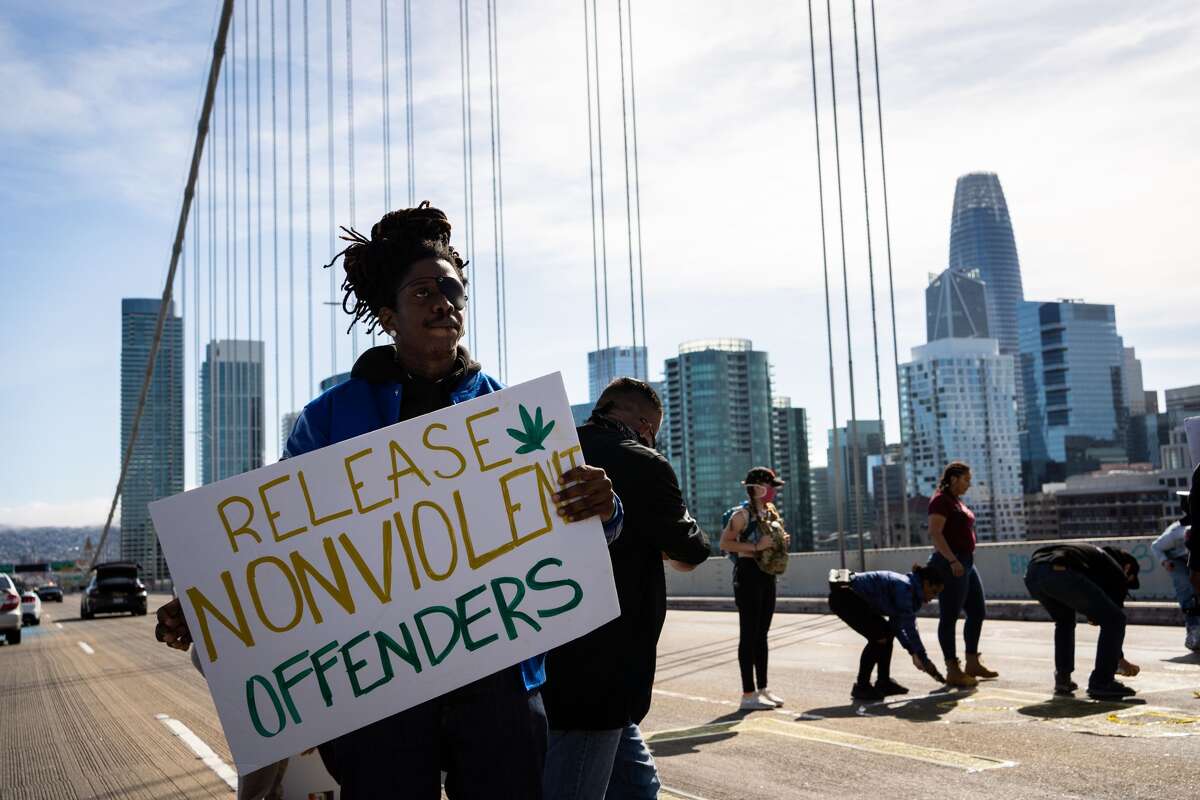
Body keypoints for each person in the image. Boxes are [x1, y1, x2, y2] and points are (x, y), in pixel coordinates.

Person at [155, 203, 624, 799]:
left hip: (499, 682)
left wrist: (605, 508)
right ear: (387, 315)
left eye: (452, 287)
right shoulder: (327, 420)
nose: (442, 300)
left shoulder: (516, 418)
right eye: (423, 290)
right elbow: (281, 543)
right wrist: (211, 606)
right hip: (379, 691)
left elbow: (583, 528)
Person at [541, 378, 711, 800]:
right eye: (653, 429)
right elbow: (691, 550)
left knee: (639, 788)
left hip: (540, 663)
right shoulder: (644, 463)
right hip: (602, 674)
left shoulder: (547, 455)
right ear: (643, 423)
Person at [1023, 542, 1142, 699]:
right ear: (1127, 568)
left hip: (1033, 573)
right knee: (1116, 620)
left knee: (1064, 622)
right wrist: (1119, 659)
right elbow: (1111, 616)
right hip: (1060, 571)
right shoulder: (1116, 571)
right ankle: (1102, 682)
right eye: (1130, 578)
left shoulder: (1092, 556)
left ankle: (1063, 679)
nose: (1126, 582)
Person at [719, 467, 791, 710]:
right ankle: (747, 694)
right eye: (770, 487)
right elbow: (725, 542)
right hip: (748, 576)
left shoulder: (769, 512)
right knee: (748, 635)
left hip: (767, 575)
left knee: (762, 635)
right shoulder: (741, 515)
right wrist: (756, 547)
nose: (773, 492)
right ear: (758, 488)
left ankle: (762, 688)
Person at [925, 461, 997, 687]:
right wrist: (952, 560)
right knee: (950, 616)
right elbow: (935, 533)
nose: (969, 484)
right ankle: (952, 668)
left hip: (965, 561)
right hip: (951, 562)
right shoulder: (940, 500)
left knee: (977, 610)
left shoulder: (956, 502)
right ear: (954, 478)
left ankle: (972, 662)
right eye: (966, 479)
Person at [827, 565, 948, 700]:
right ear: (926, 583)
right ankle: (861, 686)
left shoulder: (910, 590)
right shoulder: (905, 588)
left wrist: (913, 652)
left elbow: (897, 626)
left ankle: (884, 682)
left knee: (887, 633)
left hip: (849, 596)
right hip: (844, 596)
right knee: (879, 637)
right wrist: (923, 658)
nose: (933, 598)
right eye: (934, 591)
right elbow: (910, 629)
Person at [1150, 491, 1198, 651]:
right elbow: (1156, 546)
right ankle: (1193, 633)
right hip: (1180, 562)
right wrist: (1165, 561)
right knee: (1187, 592)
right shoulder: (1176, 530)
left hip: (1196, 561)